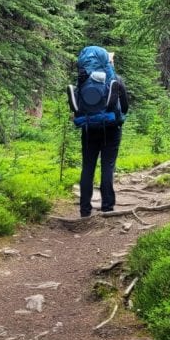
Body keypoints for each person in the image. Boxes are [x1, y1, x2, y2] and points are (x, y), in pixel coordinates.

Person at [74, 46, 129, 217]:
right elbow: (125, 106)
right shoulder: (116, 79)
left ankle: (85, 209)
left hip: (89, 128)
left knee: (88, 167)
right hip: (112, 129)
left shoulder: (83, 80)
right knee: (108, 166)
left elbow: (78, 106)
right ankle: (107, 207)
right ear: (108, 62)